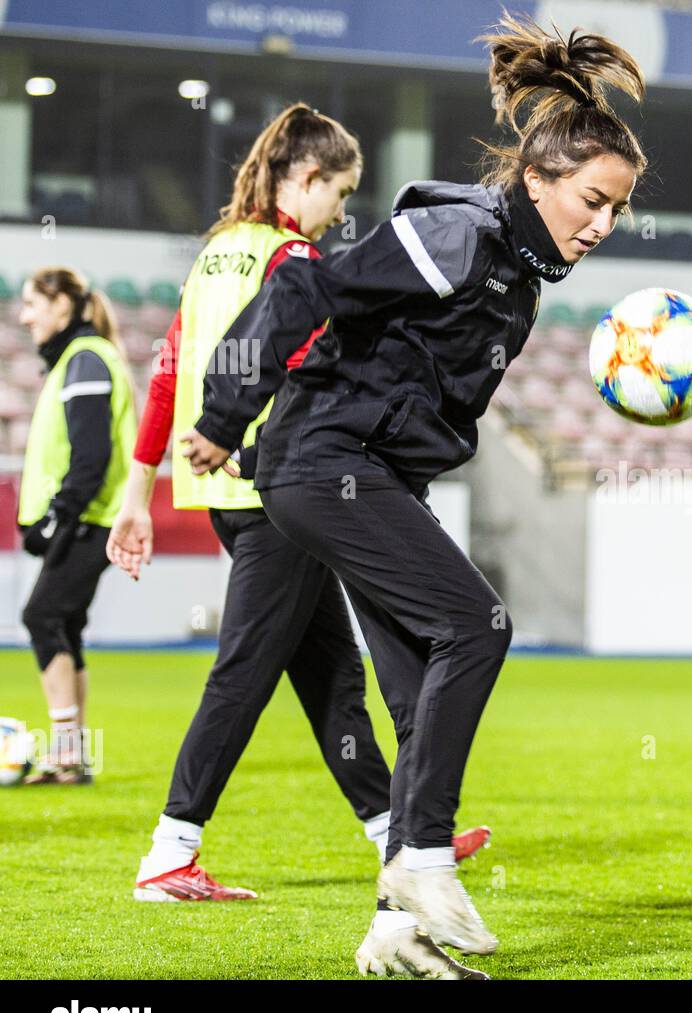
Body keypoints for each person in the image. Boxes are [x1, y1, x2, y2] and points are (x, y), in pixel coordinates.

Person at [181, 13, 646, 979]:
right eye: (593, 200)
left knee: (417, 687)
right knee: (476, 627)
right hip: (316, 463)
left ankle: (398, 935)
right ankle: (424, 861)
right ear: (538, 181)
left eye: (617, 210)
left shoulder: (519, 278)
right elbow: (304, 285)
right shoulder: (462, 238)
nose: (602, 224)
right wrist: (226, 414)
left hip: (369, 475)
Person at [105, 103, 490, 907]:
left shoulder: (213, 254)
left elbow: (173, 371)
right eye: (342, 192)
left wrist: (138, 495)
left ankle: (398, 832)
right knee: (244, 671)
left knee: (329, 678)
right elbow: (308, 376)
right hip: (279, 485)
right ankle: (169, 850)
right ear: (306, 178)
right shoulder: (295, 259)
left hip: (223, 492)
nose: (345, 213)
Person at [16, 269, 136, 785]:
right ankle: (72, 756)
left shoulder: (85, 359)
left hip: (90, 517)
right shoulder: (82, 357)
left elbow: (91, 456)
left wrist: (56, 517)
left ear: (62, 305)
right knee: (63, 624)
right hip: (93, 516)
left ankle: (67, 756)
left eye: (31, 305)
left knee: (42, 617)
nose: (24, 317)